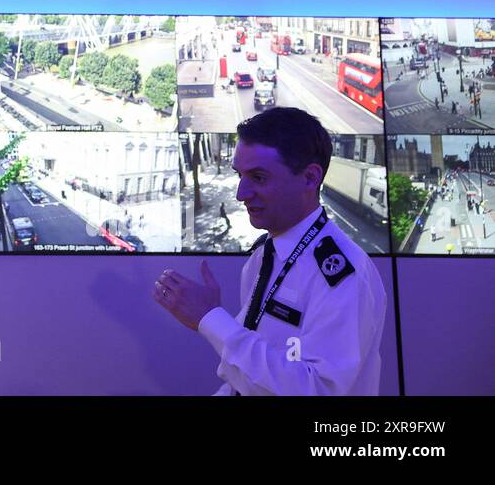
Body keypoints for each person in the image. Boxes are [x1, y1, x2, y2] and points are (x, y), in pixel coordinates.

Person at [152, 106, 386, 395]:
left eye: (259, 178)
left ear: (311, 178)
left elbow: (315, 389)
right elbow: (255, 375)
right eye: (240, 175)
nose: (241, 194)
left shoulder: (344, 275)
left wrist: (211, 319)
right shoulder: (262, 257)